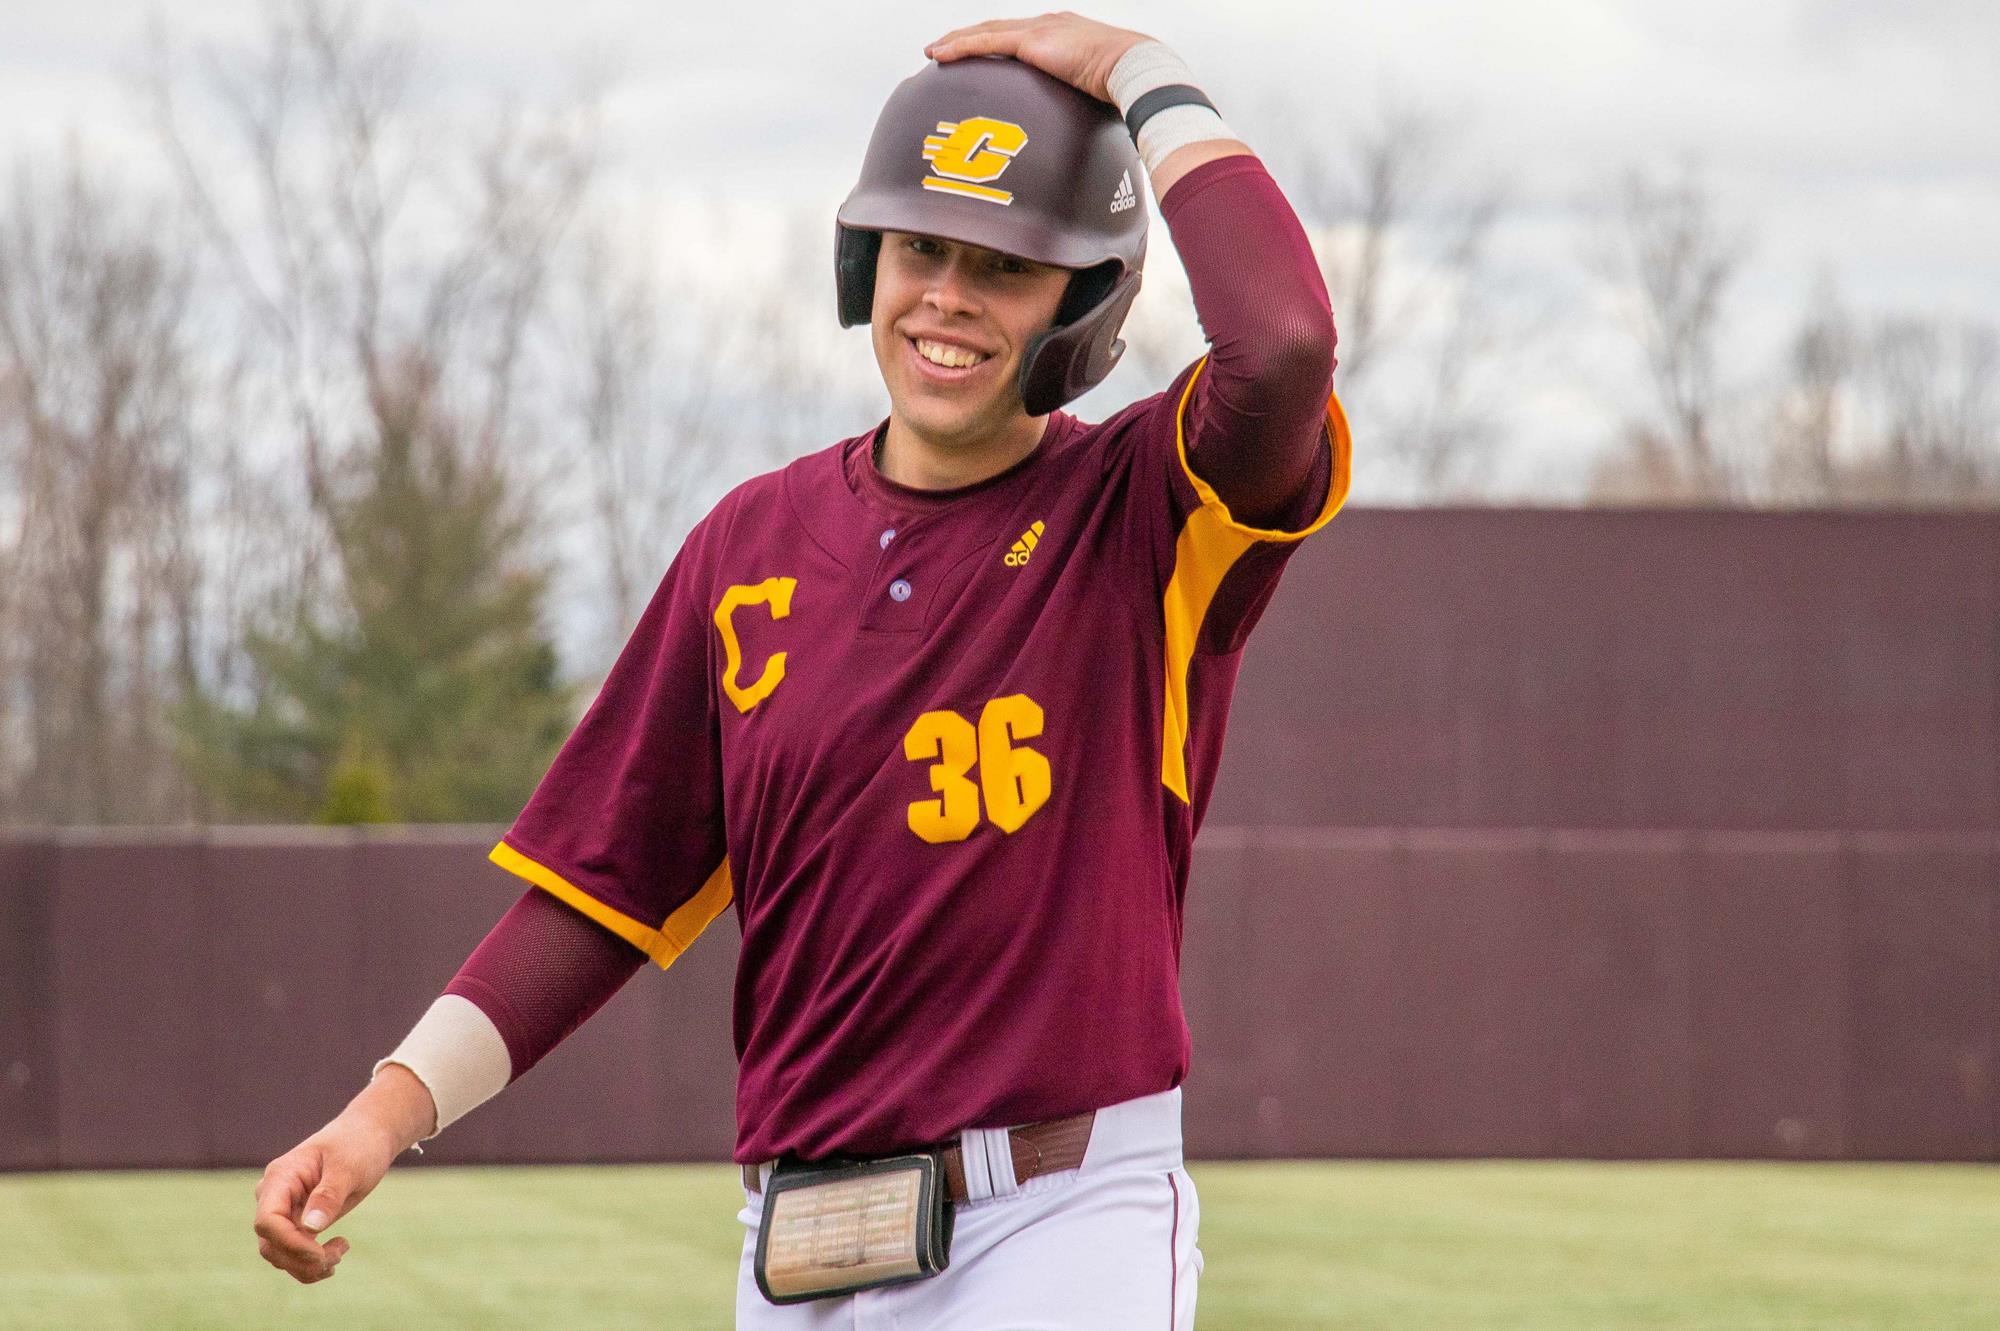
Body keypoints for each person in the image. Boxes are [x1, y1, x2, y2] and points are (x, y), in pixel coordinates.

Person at [253, 14, 1350, 1327]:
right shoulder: (748, 547)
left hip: (1067, 1221)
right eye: (921, 245)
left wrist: (1136, 75)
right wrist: (383, 1114)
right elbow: (600, 893)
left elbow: (1281, 348)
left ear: (1083, 299)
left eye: (1003, 263)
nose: (947, 292)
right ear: (864, 260)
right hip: (809, 1242)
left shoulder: (1141, 514)